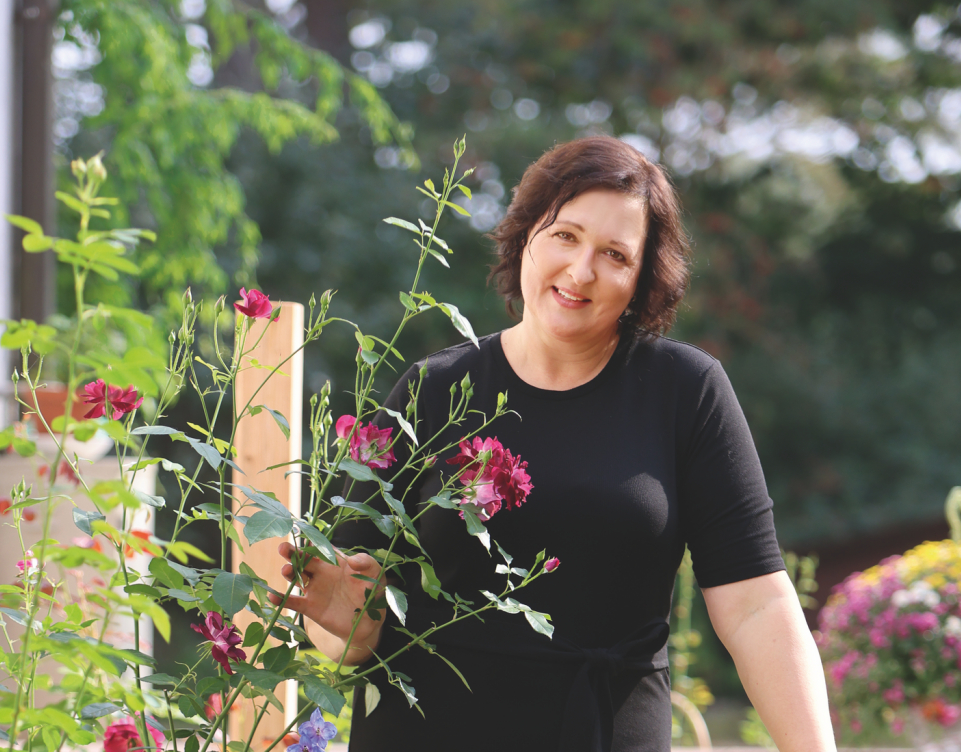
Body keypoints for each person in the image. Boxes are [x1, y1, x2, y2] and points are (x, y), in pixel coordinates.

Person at [269, 137, 836, 751]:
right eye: (565, 235)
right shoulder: (432, 391)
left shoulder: (686, 391)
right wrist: (351, 629)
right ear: (525, 237)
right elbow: (345, 616)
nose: (581, 271)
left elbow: (755, 606)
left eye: (615, 254)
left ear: (642, 278)